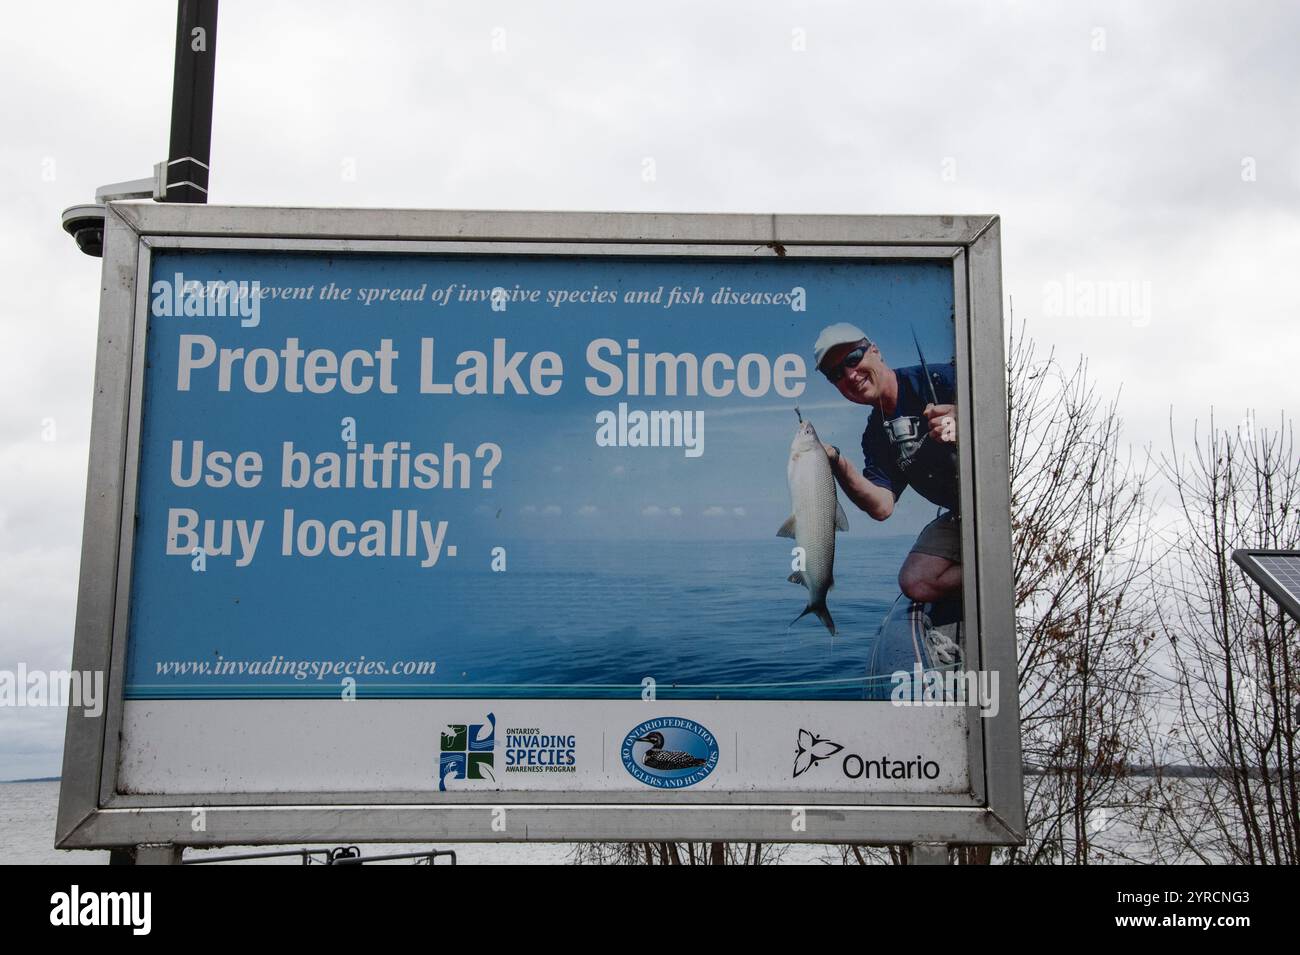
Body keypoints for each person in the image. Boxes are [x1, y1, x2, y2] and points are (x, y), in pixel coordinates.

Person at [812, 322, 961, 614]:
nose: (850, 375)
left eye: (853, 359)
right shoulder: (875, 435)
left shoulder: (943, 379)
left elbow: (1014, 409)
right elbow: (882, 506)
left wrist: (969, 418)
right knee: (915, 582)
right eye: (836, 374)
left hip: (1009, 499)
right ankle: (996, 564)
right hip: (960, 514)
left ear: (876, 351)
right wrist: (837, 461)